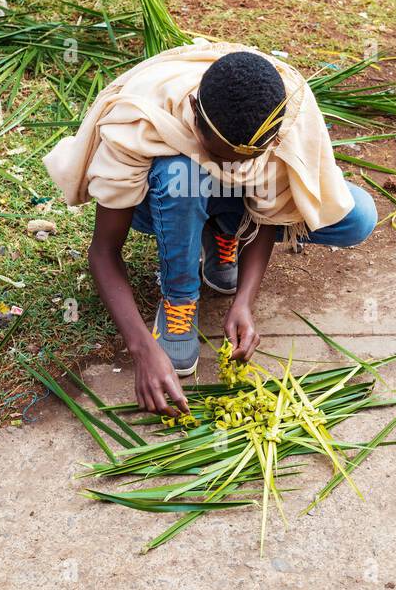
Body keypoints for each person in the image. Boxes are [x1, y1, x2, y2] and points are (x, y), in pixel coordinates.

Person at [43, 42, 377, 414]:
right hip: (158, 202)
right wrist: (141, 348)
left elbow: (269, 213)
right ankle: (180, 299)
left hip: (232, 204)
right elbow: (104, 252)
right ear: (195, 115)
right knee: (182, 174)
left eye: (243, 162)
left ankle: (223, 232)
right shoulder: (143, 114)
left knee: (358, 217)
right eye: (219, 155)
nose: (228, 166)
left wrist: (244, 303)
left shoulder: (285, 119)